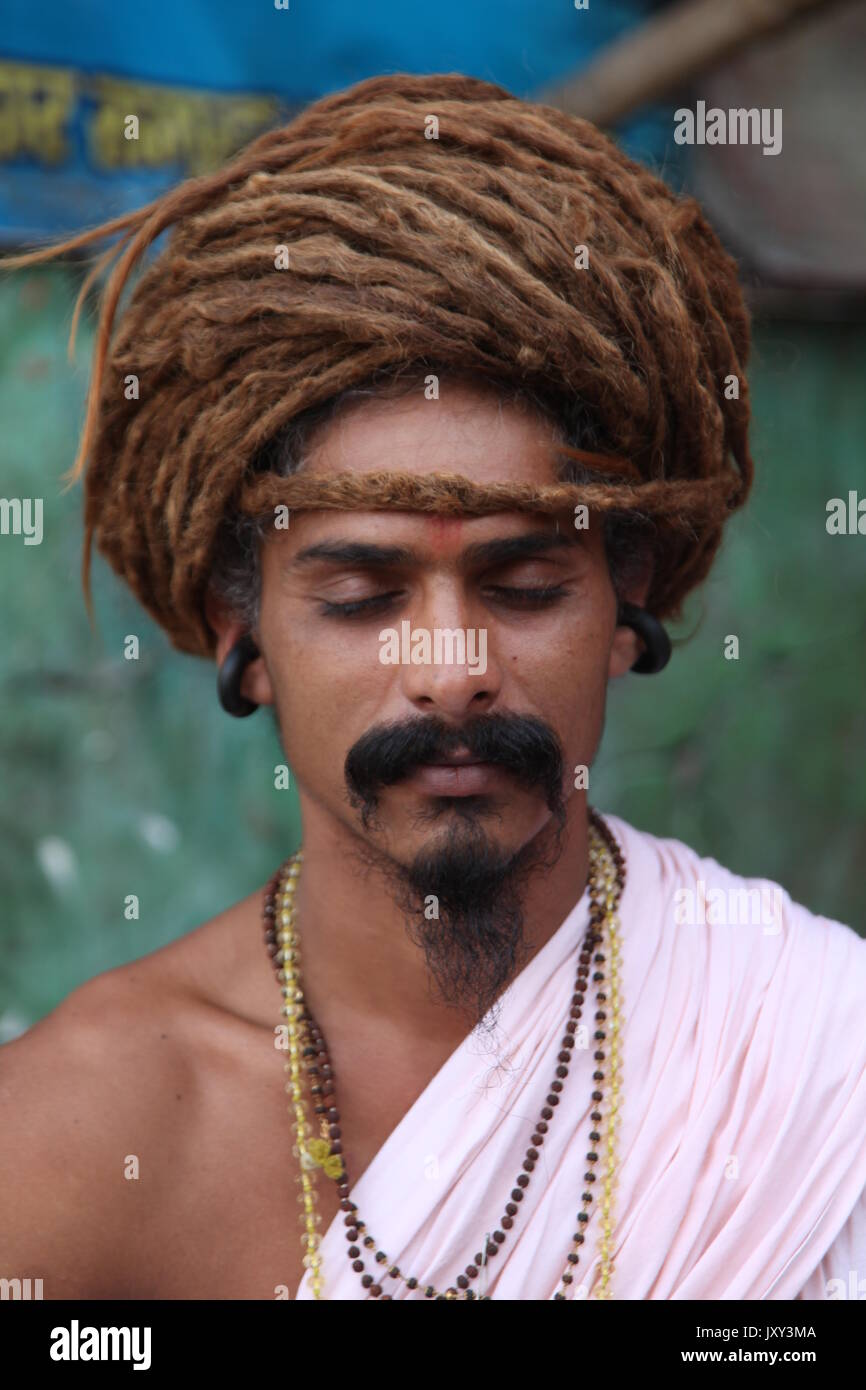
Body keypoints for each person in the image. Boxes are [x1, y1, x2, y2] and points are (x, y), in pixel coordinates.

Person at [1, 72, 863, 1302]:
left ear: (629, 607)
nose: (451, 671)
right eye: (361, 597)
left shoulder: (814, 1064)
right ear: (239, 634)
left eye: (522, 586)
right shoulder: (71, 1143)